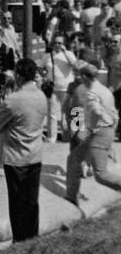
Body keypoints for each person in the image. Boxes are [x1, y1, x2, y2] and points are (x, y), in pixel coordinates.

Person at [0, 58, 47, 242]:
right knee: (31, 202)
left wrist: (76, 130)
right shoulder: (42, 95)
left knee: (17, 203)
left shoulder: (13, 100)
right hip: (35, 153)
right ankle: (32, 237)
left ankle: (21, 239)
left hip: (16, 157)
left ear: (20, 75)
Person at [65, 61, 121, 205]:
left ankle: (72, 196)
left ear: (83, 76)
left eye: (79, 73)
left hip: (93, 131)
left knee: (100, 174)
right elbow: (115, 115)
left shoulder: (87, 92)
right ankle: (71, 196)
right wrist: (110, 138)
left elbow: (88, 112)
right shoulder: (106, 90)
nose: (77, 76)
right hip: (104, 131)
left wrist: (82, 131)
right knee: (74, 160)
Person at [42, 33, 78, 142]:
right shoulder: (47, 56)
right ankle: (51, 137)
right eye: (56, 42)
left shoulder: (69, 54)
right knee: (52, 114)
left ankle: (66, 137)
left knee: (66, 114)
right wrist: (45, 76)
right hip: (53, 88)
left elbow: (75, 66)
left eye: (60, 43)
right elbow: (40, 66)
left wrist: (65, 52)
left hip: (66, 88)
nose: (57, 45)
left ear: (64, 44)